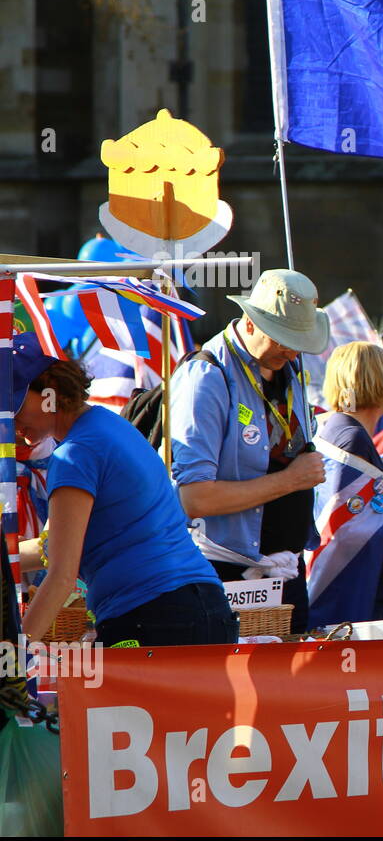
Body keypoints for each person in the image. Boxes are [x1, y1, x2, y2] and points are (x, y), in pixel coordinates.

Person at [13, 334, 235, 646]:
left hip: (153, 616)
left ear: (50, 392)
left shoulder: (75, 453)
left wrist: (11, 661)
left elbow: (62, 577)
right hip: (203, 606)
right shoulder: (108, 426)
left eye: (14, 404)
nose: (9, 422)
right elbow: (54, 549)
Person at [169, 269, 329, 633]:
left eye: (298, 340)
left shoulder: (289, 367)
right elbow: (194, 498)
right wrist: (291, 481)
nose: (291, 351)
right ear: (251, 323)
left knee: (289, 688)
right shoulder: (207, 377)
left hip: (286, 571)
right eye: (283, 339)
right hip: (223, 573)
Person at [305, 342, 383, 626]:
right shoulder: (350, 438)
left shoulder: (333, 428)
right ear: (380, 383)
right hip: (345, 596)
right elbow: (349, 534)